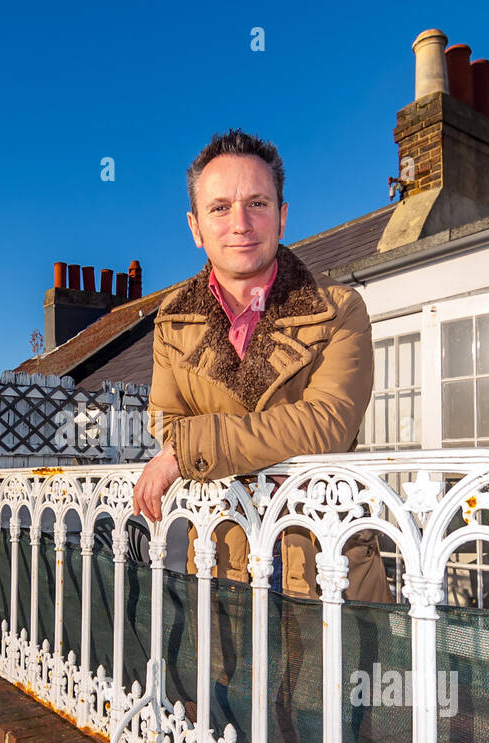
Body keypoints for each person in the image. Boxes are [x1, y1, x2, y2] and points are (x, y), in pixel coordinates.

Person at [132, 127, 392, 605]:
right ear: (195, 227)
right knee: (220, 679)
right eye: (220, 207)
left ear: (282, 216)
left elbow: (326, 424)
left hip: (325, 564)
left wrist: (189, 450)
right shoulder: (172, 321)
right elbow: (168, 421)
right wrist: (189, 445)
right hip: (220, 558)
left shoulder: (338, 309)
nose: (241, 224)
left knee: (340, 681)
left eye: (257, 203)